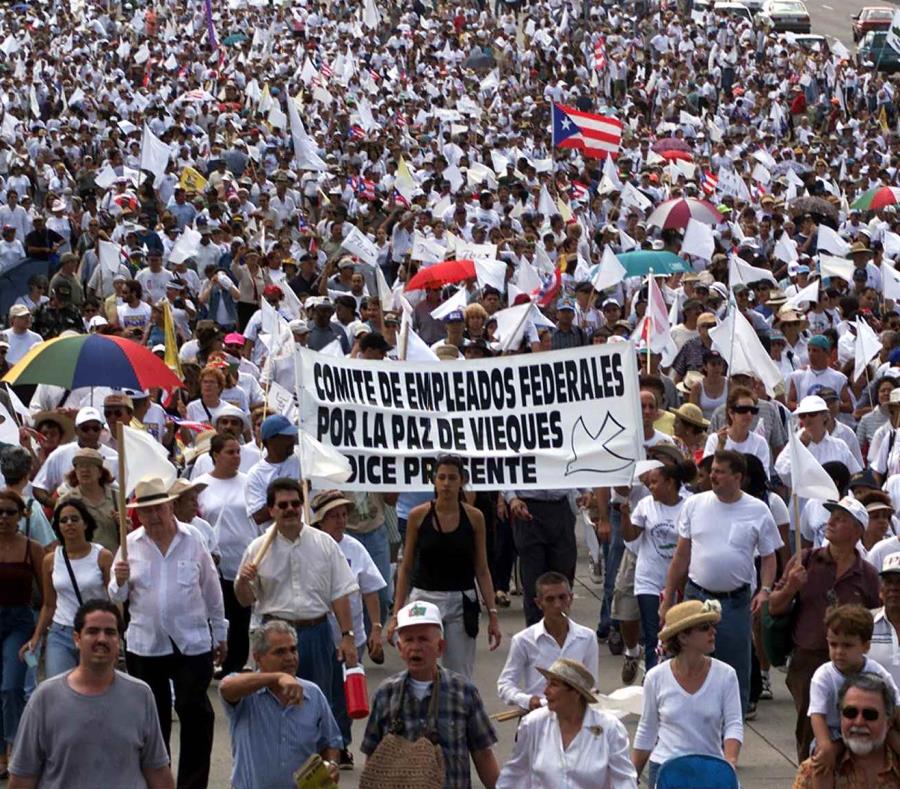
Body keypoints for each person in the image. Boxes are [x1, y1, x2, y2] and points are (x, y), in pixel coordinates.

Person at [108, 477, 227, 789]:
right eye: (145, 512)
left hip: (192, 642)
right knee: (152, 720)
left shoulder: (193, 539)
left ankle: (192, 783)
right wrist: (119, 580)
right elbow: (116, 597)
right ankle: (158, 782)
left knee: (194, 711)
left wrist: (221, 631)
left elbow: (211, 589)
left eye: (158, 509)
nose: (153, 517)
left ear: (170, 506)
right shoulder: (129, 543)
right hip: (146, 645)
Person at [661, 450, 782, 715]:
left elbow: (770, 557)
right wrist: (669, 596)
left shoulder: (758, 510)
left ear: (738, 477)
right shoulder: (694, 505)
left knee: (734, 669)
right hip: (696, 597)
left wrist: (764, 590)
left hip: (735, 602)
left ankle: (732, 728)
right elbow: (681, 556)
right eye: (712, 470)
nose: (712, 476)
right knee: (687, 661)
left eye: (719, 471)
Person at [8, 600, 174, 789]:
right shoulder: (44, 698)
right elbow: (23, 778)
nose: (102, 639)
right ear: (77, 639)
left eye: (110, 632)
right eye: (93, 631)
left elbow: (157, 771)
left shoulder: (141, 695)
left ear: (119, 640)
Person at [769, 495, 882, 760]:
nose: (831, 522)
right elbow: (774, 606)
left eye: (841, 519)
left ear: (857, 531)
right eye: (832, 516)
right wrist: (790, 587)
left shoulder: (867, 575)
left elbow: (875, 620)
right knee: (810, 728)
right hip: (807, 659)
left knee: (851, 727)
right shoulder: (805, 560)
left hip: (851, 663)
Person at [235, 478, 359, 710]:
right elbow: (245, 599)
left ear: (302, 506)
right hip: (274, 636)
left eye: (295, 503)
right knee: (274, 702)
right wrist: (243, 580)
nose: (290, 509)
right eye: (283, 505)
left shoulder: (325, 544)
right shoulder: (257, 549)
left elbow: (340, 592)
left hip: (315, 633)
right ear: (271, 510)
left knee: (317, 702)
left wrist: (347, 636)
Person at [361, 600, 499, 789]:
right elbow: (373, 755)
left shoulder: (463, 692)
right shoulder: (386, 694)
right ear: (400, 649)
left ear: (440, 647)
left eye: (424, 639)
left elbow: (483, 754)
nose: (416, 647)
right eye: (409, 640)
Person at [389, 454, 501, 679]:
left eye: (452, 477)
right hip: (425, 597)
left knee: (460, 672)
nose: (446, 483)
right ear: (434, 481)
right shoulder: (418, 516)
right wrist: (396, 613)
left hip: (462, 599)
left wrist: (493, 614)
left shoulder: (475, 517)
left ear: (462, 481)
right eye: (441, 477)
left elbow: (482, 568)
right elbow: (407, 567)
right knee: (421, 666)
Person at [309, 489, 386, 768]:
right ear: (320, 520)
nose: (341, 521)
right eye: (334, 516)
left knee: (343, 694)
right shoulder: (310, 546)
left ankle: (340, 745)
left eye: (344, 515)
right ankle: (319, 746)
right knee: (321, 692)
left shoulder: (355, 548)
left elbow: (371, 590)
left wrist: (376, 626)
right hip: (319, 634)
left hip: (353, 636)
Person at [218, 620, 342, 789]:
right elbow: (226, 687)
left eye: (293, 649)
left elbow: (330, 742)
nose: (290, 658)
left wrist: (332, 765)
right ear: (257, 658)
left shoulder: (313, 694)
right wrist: (276, 678)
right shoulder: (246, 695)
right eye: (280, 652)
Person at [632, 600, 743, 788]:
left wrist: (729, 762)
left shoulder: (726, 675)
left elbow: (733, 724)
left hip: (711, 769)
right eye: (704, 627)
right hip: (666, 770)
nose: (713, 632)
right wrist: (631, 776)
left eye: (713, 626)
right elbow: (647, 729)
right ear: (683, 637)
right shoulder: (656, 677)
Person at [497, 656, 637, 788]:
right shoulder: (533, 724)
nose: (545, 691)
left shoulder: (609, 729)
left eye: (554, 685)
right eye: (547, 683)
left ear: (576, 693)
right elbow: (515, 773)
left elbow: (624, 780)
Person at [20, 499, 112, 679]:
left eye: (74, 519)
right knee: (59, 687)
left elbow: (113, 598)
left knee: (93, 687)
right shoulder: (51, 560)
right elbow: (49, 604)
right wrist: (36, 637)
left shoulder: (102, 556)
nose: (69, 524)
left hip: (94, 630)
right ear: (58, 527)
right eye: (63, 520)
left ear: (85, 523)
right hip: (61, 632)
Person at [808, 605, 900, 777]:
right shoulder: (823, 676)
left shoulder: (877, 672)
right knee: (821, 761)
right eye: (833, 645)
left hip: (871, 728)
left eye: (847, 646)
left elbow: (895, 705)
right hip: (834, 732)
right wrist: (825, 744)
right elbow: (817, 715)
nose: (839, 652)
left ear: (865, 647)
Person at [194, 433, 257, 676]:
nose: (236, 456)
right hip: (213, 561)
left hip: (244, 558)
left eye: (238, 451)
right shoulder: (200, 484)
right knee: (216, 611)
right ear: (215, 455)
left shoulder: (249, 482)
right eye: (230, 452)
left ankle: (235, 664)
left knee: (240, 615)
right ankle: (214, 658)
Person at [497, 571, 598, 712]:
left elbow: (591, 684)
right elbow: (505, 684)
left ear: (571, 598)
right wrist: (528, 700)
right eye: (550, 599)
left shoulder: (587, 637)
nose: (557, 605)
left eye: (562, 598)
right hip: (536, 715)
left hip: (575, 716)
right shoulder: (523, 640)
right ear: (539, 603)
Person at [623, 464, 690, 673]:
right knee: (654, 632)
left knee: (676, 633)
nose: (649, 487)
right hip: (648, 580)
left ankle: (674, 673)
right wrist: (625, 515)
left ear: (670, 483)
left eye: (654, 482)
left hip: (678, 582)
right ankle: (652, 676)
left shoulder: (689, 506)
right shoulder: (645, 505)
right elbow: (630, 535)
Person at [793, 673, 900, 788]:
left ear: (888, 722)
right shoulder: (814, 771)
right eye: (850, 713)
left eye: (870, 714)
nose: (859, 722)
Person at [0, 488, 43, 774]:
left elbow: (48, 597)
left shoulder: (33, 548)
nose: (3, 518)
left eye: (10, 512)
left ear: (21, 516)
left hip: (19, 621)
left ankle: (15, 746)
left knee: (11, 687)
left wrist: (38, 634)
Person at [54, 446, 119, 552]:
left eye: (90, 465)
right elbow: (58, 535)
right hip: (80, 562)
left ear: (100, 472)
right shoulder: (65, 501)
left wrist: (125, 527)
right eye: (80, 466)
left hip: (113, 562)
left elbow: (128, 534)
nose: (85, 470)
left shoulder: (117, 497)